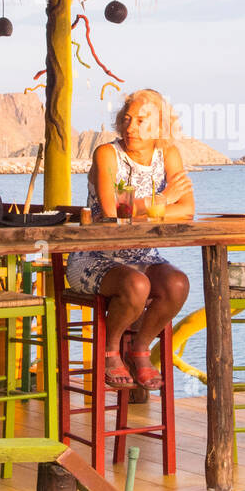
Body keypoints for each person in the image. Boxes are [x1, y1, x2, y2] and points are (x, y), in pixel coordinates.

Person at [66, 89, 194, 390]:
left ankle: (140, 348)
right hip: (94, 256)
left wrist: (141, 208)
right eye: (127, 119)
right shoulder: (107, 154)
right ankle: (110, 349)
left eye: (140, 120)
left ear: (160, 126)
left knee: (178, 284)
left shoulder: (169, 155)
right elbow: (112, 213)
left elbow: (187, 210)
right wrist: (162, 201)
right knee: (137, 285)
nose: (130, 127)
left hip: (143, 256)